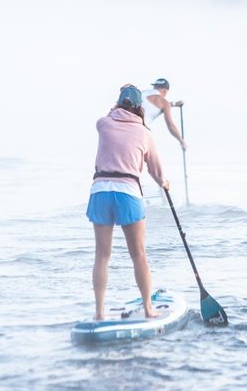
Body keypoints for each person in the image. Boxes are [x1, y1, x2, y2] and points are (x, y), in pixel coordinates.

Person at [88, 85, 171, 320]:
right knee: (138, 255)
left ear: (117, 104)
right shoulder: (145, 133)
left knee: (102, 255)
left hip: (100, 191)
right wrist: (164, 183)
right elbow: (156, 170)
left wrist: (117, 106)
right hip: (128, 192)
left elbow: (109, 113)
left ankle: (99, 313)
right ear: (139, 108)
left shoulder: (103, 124)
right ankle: (148, 309)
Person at [140, 78, 185, 150]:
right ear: (165, 91)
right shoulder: (164, 103)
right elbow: (171, 126)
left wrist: (173, 104)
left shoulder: (143, 93)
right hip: (139, 130)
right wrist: (181, 141)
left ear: (154, 87)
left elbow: (152, 105)